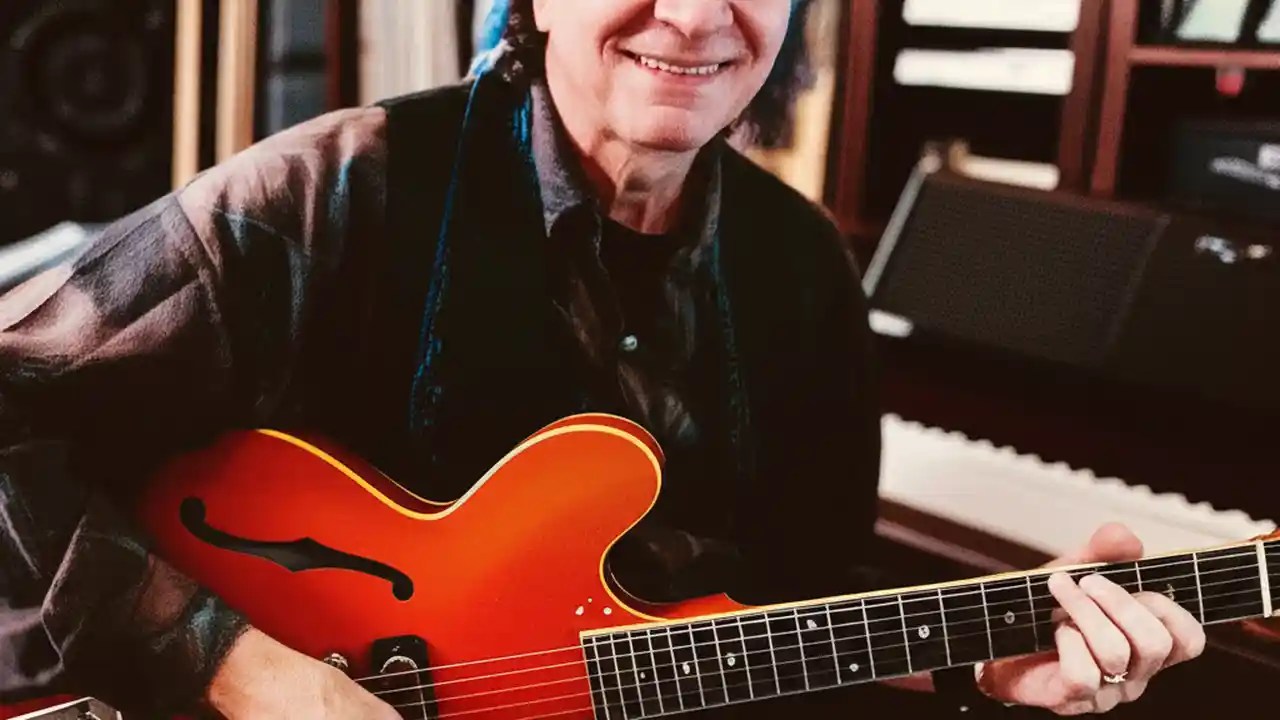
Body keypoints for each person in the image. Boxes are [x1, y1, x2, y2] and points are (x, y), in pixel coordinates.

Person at [0, 0, 1206, 717]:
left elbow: (789, 616)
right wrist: (232, 663)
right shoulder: (326, 192)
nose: (689, 15)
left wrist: (975, 668)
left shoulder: (805, 267)